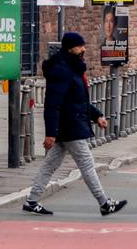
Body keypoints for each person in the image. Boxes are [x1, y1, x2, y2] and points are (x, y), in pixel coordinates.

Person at [23, 32, 127, 216]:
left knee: (49, 165)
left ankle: (31, 200)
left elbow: (77, 100)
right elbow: (53, 104)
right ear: (70, 48)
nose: (83, 49)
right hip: (70, 126)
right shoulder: (63, 70)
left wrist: (96, 116)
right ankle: (104, 203)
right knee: (87, 165)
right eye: (79, 46)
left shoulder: (72, 68)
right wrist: (50, 133)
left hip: (69, 124)